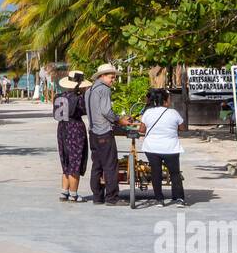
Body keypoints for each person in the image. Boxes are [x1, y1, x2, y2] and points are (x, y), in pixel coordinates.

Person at [85, 63, 128, 206]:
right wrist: (119, 120)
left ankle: (97, 197)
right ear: (102, 76)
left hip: (93, 132)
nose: (113, 80)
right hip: (103, 132)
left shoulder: (89, 90)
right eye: (111, 77)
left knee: (97, 165)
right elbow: (106, 111)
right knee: (110, 166)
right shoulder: (104, 89)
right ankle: (112, 198)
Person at [137, 88, 188, 206]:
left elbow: (142, 130)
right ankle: (179, 198)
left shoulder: (148, 113)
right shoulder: (173, 113)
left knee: (156, 172)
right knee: (174, 173)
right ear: (165, 100)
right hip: (170, 148)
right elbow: (182, 128)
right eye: (169, 99)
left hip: (151, 148)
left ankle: (159, 199)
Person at [54, 70, 90, 202]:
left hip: (62, 128)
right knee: (75, 160)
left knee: (66, 160)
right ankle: (74, 194)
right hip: (75, 129)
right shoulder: (79, 99)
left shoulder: (59, 97)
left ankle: (64, 191)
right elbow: (85, 111)